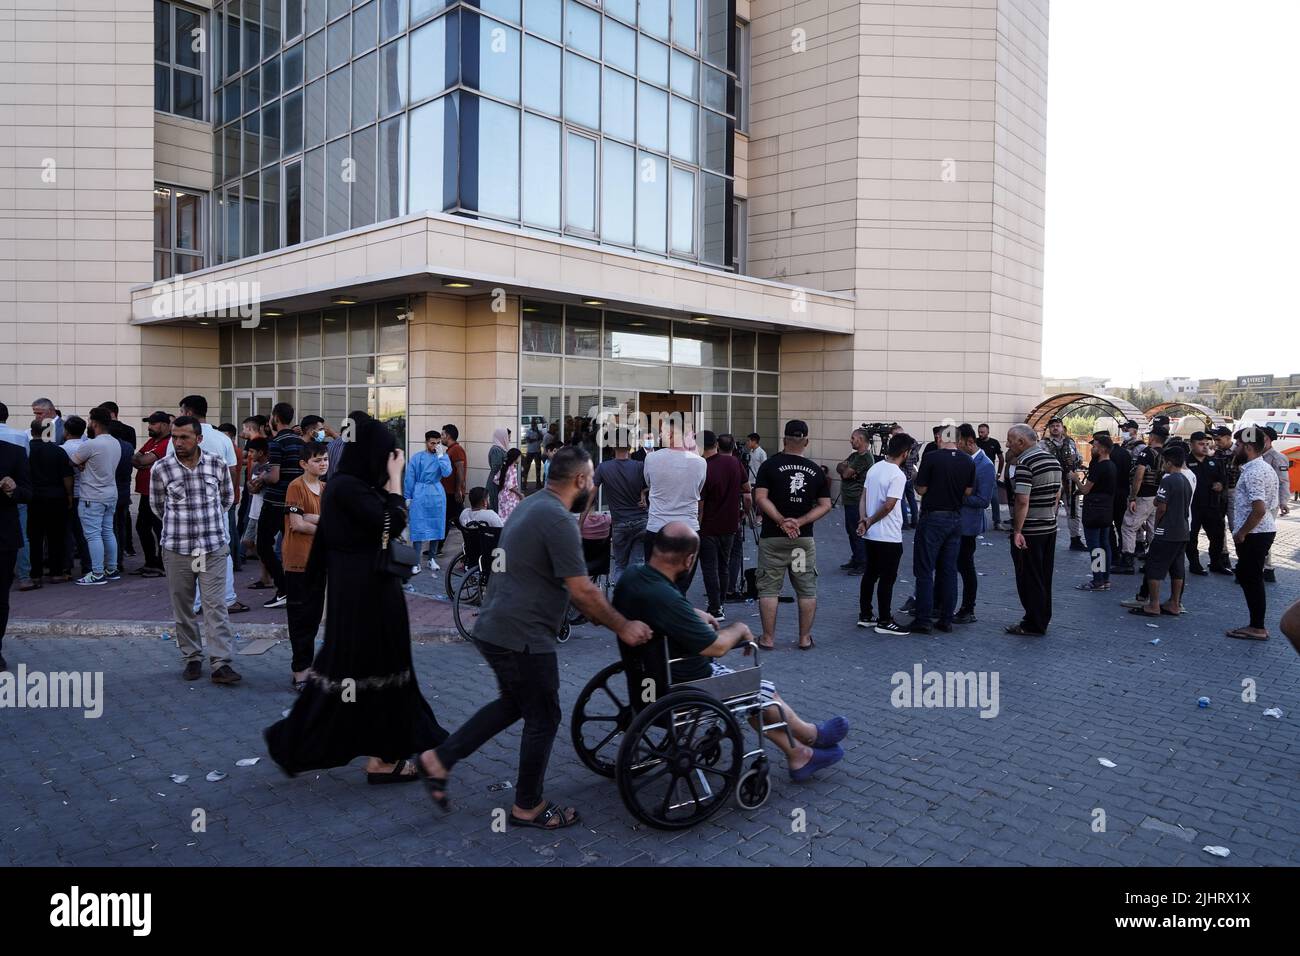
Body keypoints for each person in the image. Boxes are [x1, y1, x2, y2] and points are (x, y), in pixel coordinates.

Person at [415, 447, 653, 827]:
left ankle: (438, 759)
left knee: (514, 703)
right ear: (579, 481)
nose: (592, 485)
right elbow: (583, 590)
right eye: (590, 478)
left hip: (498, 626)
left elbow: (551, 577)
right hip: (522, 635)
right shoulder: (557, 518)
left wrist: (591, 613)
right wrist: (622, 625)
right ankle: (528, 805)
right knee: (543, 715)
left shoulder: (532, 505)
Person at [266, 413, 448, 783]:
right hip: (364, 597)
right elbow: (392, 522)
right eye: (384, 453)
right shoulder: (348, 487)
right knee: (360, 671)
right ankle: (371, 757)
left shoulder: (351, 485)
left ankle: (384, 755)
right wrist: (397, 480)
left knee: (372, 673)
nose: (387, 460)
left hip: (368, 592)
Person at [615, 523, 849, 781]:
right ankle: (809, 735)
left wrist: (694, 613)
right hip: (686, 685)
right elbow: (716, 646)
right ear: (690, 559)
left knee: (751, 696)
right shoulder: (664, 597)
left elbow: (666, 609)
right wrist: (739, 629)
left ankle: (799, 753)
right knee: (761, 690)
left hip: (648, 682)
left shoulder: (634, 576)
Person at [150, 416, 240, 684]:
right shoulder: (161, 469)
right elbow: (158, 506)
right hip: (178, 549)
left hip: (212, 547)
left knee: (216, 606)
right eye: (174, 437)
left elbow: (227, 499)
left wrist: (206, 525)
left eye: (184, 437)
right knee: (184, 607)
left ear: (199, 439)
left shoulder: (216, 464)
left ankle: (221, 663)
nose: (177, 442)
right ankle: (192, 658)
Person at [752, 420, 831, 650]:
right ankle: (804, 638)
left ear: (784, 439)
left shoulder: (769, 466)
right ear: (806, 441)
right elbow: (825, 505)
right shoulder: (815, 470)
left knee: (769, 589)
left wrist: (780, 521)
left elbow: (760, 498)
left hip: (773, 539)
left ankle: (768, 638)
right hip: (802, 540)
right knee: (806, 589)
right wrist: (800, 521)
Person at [906, 424, 975, 634]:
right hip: (955, 518)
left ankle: (923, 619)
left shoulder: (932, 458)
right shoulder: (967, 460)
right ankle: (946, 618)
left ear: (940, 438)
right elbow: (969, 491)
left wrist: (918, 478)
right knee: (949, 570)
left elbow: (921, 489)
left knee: (925, 569)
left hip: (933, 517)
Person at [1004, 423, 1062, 636]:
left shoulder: (1025, 463)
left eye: (1010, 440)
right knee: (1044, 576)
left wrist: (1018, 530)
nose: (1008, 444)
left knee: (1029, 577)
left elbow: (1022, 500)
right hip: (1049, 527)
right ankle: (1040, 618)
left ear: (1021, 442)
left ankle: (1033, 623)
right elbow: (1057, 494)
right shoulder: (1052, 460)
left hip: (1031, 531)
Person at [641, 415, 707, 595]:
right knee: (680, 589)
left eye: (662, 431)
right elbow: (698, 489)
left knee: (656, 587)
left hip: (657, 528)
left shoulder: (651, 459)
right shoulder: (701, 463)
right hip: (688, 530)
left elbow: (649, 482)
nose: (660, 434)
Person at [283, 442, 329, 691]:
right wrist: (324, 525)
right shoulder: (295, 487)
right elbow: (297, 525)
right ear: (303, 464)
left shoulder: (325, 488)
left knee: (312, 618)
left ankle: (309, 666)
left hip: (320, 561)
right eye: (317, 460)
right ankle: (300, 670)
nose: (322, 463)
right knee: (299, 618)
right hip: (298, 561)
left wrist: (314, 519)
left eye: (325, 459)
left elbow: (335, 521)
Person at [857, 432, 912, 634]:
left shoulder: (875, 467)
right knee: (887, 578)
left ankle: (865, 614)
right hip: (888, 535)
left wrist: (863, 520)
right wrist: (869, 520)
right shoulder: (898, 475)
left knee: (870, 574)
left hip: (871, 534)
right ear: (905, 453)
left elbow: (863, 497)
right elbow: (889, 505)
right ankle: (884, 620)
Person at [1128, 444, 1192, 618]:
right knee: (1177, 569)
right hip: (1183, 531)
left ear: (1169, 462)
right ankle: (1174, 603)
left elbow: (1162, 507)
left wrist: (1157, 527)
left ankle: (1154, 604)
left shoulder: (1168, 479)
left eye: (1164, 461)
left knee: (1154, 566)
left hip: (1167, 531)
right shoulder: (1186, 480)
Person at [1226, 427, 1278, 641]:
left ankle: (1257, 627)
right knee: (1250, 578)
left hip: (1254, 534)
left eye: (1238, 445)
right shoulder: (1259, 468)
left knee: (1252, 579)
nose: (1234, 449)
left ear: (1248, 447)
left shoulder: (1255, 472)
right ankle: (1256, 624)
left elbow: (1259, 509)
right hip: (1260, 532)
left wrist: (1241, 533)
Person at [251, 403, 301, 608]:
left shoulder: (277, 442)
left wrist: (262, 477)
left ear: (276, 418)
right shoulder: (299, 441)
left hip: (275, 502)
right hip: (295, 501)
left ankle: (284, 588)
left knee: (263, 545)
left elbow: (275, 476)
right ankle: (295, 589)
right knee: (290, 548)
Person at [582, 429, 646, 583]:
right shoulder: (640, 466)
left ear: (612, 445)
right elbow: (655, 485)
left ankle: (619, 603)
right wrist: (644, 494)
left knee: (620, 566)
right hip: (642, 521)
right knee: (637, 565)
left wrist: (580, 523)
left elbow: (590, 496)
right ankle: (634, 601)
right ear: (630, 445)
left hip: (620, 523)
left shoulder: (604, 468)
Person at [68, 407, 122, 586]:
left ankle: (97, 573)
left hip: (92, 496)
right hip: (110, 494)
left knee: (93, 536)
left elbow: (73, 461)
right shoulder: (115, 442)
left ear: (94, 423)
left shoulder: (91, 444)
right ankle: (112, 569)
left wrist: (82, 465)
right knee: (108, 532)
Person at [698, 429, 749, 619]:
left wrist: (698, 524)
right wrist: (743, 513)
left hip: (709, 525)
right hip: (730, 524)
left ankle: (715, 607)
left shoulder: (702, 466)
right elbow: (746, 489)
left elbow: (700, 503)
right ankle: (721, 603)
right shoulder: (734, 462)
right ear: (716, 444)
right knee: (723, 565)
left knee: (709, 567)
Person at [954, 424, 996, 623]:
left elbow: (983, 500)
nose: (956, 445)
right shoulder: (962, 460)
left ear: (970, 442)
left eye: (959, 442)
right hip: (954, 523)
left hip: (968, 526)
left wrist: (956, 496)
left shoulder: (985, 465)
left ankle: (968, 608)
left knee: (965, 566)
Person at [24, 419, 74, 587]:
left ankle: (35, 575)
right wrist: (69, 496)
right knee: (56, 537)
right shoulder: (58, 452)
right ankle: (56, 573)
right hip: (56, 498)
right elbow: (67, 477)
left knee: (34, 538)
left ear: (32, 432)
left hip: (33, 499)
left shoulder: (25, 450)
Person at [0, 436, 32, 672]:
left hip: (3, 539)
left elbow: (28, 493)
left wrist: (14, 490)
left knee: (0, 599)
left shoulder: (14, 452)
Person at [1116, 425, 1167, 574]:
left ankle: (1127, 561)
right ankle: (1152, 559)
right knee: (1152, 527)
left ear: (1153, 437)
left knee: (1129, 526)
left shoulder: (1146, 453)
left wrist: (1133, 497)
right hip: (1159, 496)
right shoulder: (1166, 453)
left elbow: (1139, 476)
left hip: (1144, 496)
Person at [404, 430, 453, 573]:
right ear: (426, 442)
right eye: (432, 443)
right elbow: (410, 477)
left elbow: (447, 473)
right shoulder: (417, 458)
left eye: (438, 443)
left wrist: (441, 456)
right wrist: (408, 497)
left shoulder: (443, 457)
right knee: (418, 526)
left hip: (437, 493)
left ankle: (432, 559)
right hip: (420, 493)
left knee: (436, 525)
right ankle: (416, 561)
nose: (435, 446)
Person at [131, 412, 171, 578]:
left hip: (159, 493)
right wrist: (142, 462)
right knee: (142, 526)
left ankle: (162, 565)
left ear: (163, 424)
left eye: (153, 423)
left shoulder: (167, 443)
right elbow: (136, 458)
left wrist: (143, 462)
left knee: (159, 528)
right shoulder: (152, 441)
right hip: (146, 492)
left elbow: (141, 461)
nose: (149, 426)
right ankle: (150, 562)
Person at [1076, 432, 1117, 592]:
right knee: (1104, 544)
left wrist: (1075, 479)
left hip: (1094, 511)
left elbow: (1085, 490)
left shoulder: (1099, 466)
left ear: (1102, 449)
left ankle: (1097, 580)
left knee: (1095, 546)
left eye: (1095, 446)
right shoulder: (1112, 465)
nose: (1092, 448)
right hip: (1106, 509)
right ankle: (1105, 579)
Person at [1185, 431, 1227, 576]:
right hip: (1192, 507)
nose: (1204, 447)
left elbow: (1223, 479)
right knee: (1191, 537)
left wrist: (1220, 484)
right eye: (1200, 444)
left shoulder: (1214, 461)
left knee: (1217, 535)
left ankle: (1216, 563)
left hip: (1211, 505)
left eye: (1206, 444)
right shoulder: (1185, 462)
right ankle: (1194, 565)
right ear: (1191, 444)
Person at [1040, 417, 1084, 552]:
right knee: (1051, 511)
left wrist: (1075, 459)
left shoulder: (1070, 442)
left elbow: (1079, 458)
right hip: (1052, 481)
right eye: (1052, 425)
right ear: (1049, 428)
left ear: (1062, 427)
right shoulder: (1042, 444)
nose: (1055, 428)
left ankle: (1075, 539)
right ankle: (1047, 539)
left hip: (1069, 481)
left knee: (1074, 512)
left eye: (1057, 425)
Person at [835, 428, 875, 574]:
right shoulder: (854, 456)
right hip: (850, 499)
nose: (850, 441)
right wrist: (845, 470)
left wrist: (846, 471)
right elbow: (840, 467)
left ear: (861, 440)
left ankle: (862, 562)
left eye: (853, 438)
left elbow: (845, 473)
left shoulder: (864, 458)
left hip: (857, 500)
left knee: (857, 531)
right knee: (851, 530)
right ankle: (857, 558)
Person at [60, 415, 91, 578]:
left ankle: (66, 567)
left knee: (66, 533)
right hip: (86, 493)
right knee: (84, 534)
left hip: (69, 495)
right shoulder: (88, 446)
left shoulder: (62, 449)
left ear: (66, 431)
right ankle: (87, 567)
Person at [1260, 426, 1291, 584]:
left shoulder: (1277, 457)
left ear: (1267, 439)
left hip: (1270, 504)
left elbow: (1284, 481)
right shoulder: (1256, 456)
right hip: (1259, 503)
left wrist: (1284, 501)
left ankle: (1268, 568)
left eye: (1261, 435)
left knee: (1264, 535)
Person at [1212, 425, 1239, 571]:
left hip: (1234, 492)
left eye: (1218, 439)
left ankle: (1242, 559)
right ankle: (1223, 557)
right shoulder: (1216, 453)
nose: (1216, 442)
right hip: (1219, 494)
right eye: (1215, 439)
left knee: (1236, 525)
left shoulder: (1239, 452)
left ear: (1229, 438)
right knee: (1219, 526)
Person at [438, 424, 467, 555]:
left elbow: (460, 470)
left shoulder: (456, 450)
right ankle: (437, 547)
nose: (441, 437)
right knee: (449, 520)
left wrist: (457, 490)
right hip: (449, 492)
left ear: (448, 436)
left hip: (452, 493)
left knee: (458, 520)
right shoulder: (451, 450)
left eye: (442, 434)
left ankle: (473, 542)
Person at [1107, 423, 1134, 565]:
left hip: (1110, 494)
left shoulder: (1107, 456)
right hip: (1123, 493)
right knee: (1121, 524)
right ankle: (1124, 550)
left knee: (1108, 524)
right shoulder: (1125, 452)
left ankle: (1113, 553)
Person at [976, 424, 1006, 530]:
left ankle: (997, 522)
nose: (980, 434)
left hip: (990, 475)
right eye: (979, 432)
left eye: (982, 432)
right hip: (977, 474)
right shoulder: (975, 442)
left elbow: (1001, 459)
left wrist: (998, 474)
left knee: (994, 498)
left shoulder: (994, 443)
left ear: (988, 432)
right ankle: (977, 521)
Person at [897, 426, 920, 529]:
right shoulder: (914, 443)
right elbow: (917, 458)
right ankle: (915, 521)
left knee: (901, 499)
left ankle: (905, 523)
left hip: (902, 474)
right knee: (911, 498)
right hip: (911, 474)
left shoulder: (902, 445)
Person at [496, 447, 524, 521]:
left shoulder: (504, 467)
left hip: (502, 495)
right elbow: (510, 486)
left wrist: (503, 485)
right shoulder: (512, 469)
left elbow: (495, 479)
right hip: (510, 497)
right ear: (515, 457)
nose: (520, 458)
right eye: (519, 456)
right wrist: (520, 494)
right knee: (511, 519)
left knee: (502, 518)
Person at [486, 427, 510, 511]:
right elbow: (496, 467)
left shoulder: (501, 449)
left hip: (498, 481)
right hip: (495, 482)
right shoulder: (496, 450)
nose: (509, 439)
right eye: (508, 437)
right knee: (496, 506)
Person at [522, 417, 545, 491]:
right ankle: (524, 483)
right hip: (530, 451)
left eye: (534, 423)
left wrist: (537, 432)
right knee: (526, 467)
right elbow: (528, 440)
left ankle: (538, 483)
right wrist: (536, 439)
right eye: (532, 423)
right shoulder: (528, 431)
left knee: (538, 467)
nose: (533, 424)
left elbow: (542, 438)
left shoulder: (539, 432)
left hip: (537, 451)